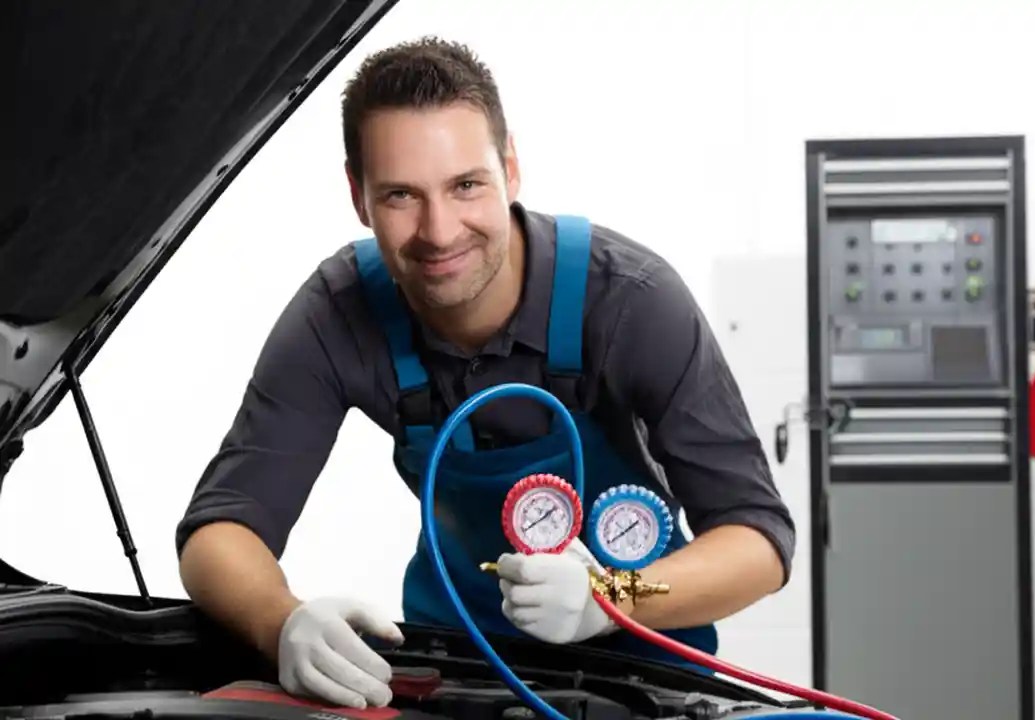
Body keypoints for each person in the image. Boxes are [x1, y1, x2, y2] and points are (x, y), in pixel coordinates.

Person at [175, 35, 795, 711]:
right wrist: (280, 622)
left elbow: (757, 540)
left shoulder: (629, 301)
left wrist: (609, 599)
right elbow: (220, 529)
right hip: (455, 674)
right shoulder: (337, 313)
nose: (440, 232)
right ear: (358, 196)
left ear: (511, 170)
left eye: (466, 185)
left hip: (642, 677)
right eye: (401, 196)